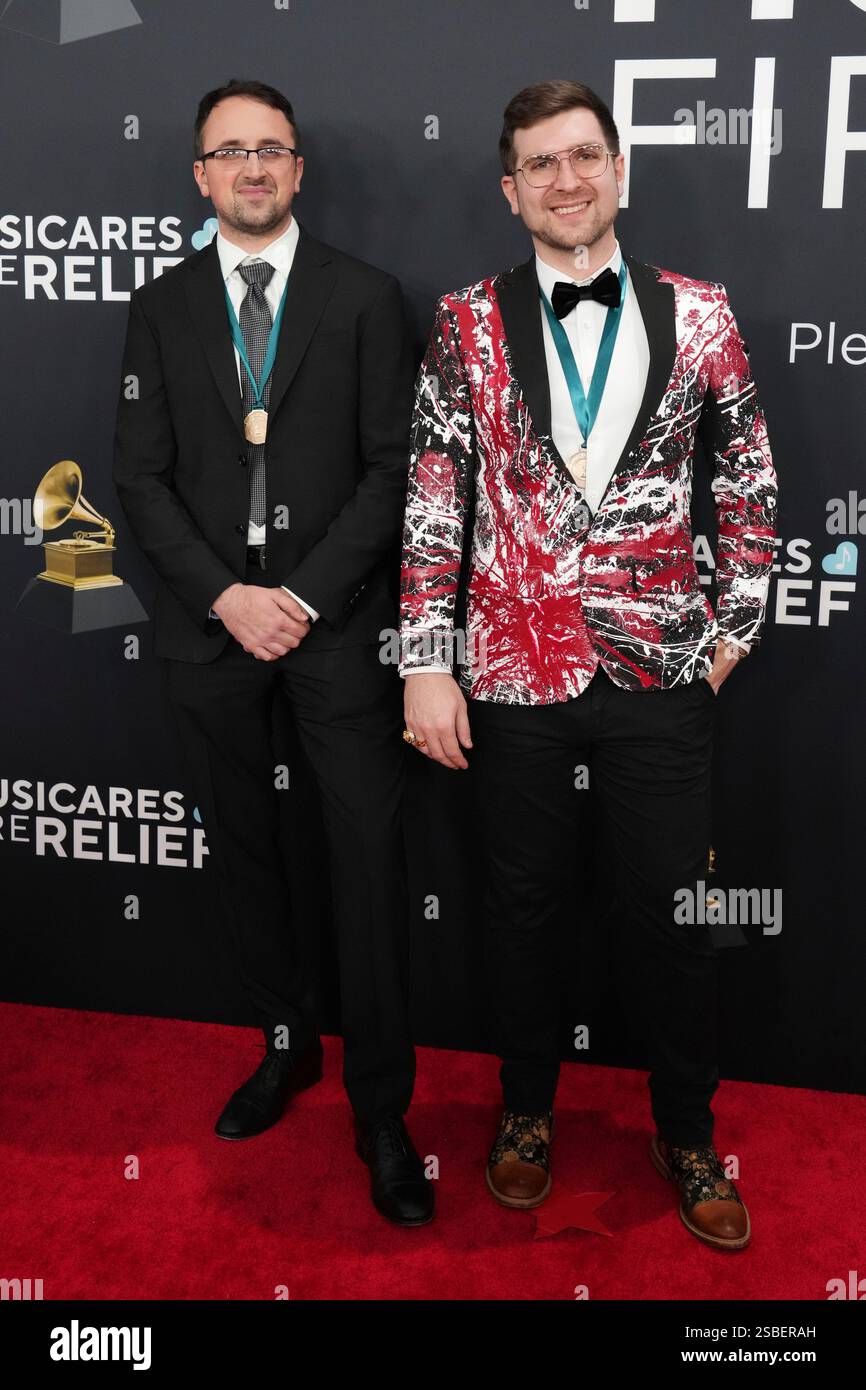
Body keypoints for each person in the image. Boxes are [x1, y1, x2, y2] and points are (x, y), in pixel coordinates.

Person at [397, 79, 777, 1250]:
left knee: (673, 916)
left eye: (583, 157)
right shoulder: (463, 321)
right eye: (539, 165)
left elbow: (749, 488)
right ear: (509, 190)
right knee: (518, 912)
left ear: (619, 171)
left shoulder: (703, 315)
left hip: (662, 672)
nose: (565, 180)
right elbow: (432, 502)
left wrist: (725, 640)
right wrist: (424, 661)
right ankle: (523, 1112)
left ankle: (685, 1126)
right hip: (511, 673)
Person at [113, 78, 432, 1227]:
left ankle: (381, 1109)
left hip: (334, 628)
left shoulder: (366, 299)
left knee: (365, 864)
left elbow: (393, 468)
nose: (251, 169)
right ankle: (283, 1045)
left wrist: (293, 593)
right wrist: (225, 600)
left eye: (271, 150)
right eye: (228, 152)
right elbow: (138, 478)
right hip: (213, 635)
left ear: (299, 170)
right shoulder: (159, 306)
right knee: (248, 857)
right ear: (198, 175)